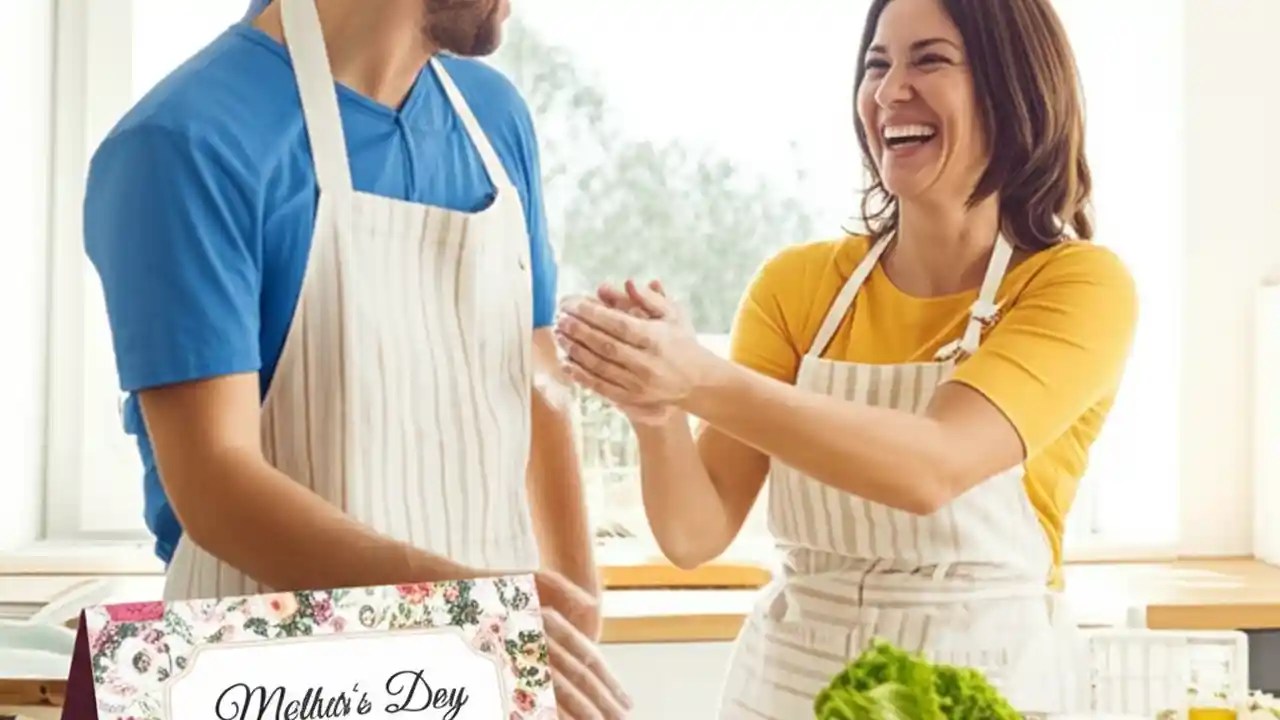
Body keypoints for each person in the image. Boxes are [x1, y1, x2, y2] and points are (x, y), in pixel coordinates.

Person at [554, 0, 1137, 715]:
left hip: (981, 684)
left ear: (1013, 87)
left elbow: (932, 466)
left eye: (930, 60)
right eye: (876, 65)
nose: (890, 91)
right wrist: (658, 412)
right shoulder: (799, 286)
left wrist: (697, 378)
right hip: (791, 683)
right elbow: (693, 535)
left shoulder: (1075, 285)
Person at [84, 0, 629, 716]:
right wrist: (465, 611)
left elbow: (533, 374)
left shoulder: (492, 119)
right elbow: (215, 483)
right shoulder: (184, 142)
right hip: (268, 676)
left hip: (478, 666)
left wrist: (575, 609)